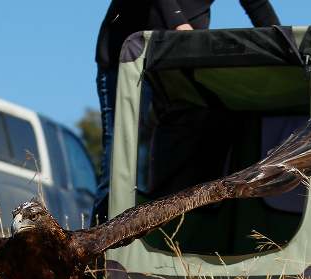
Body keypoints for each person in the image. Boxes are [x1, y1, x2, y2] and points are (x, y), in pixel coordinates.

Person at [91, 0, 281, 227]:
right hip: (130, 56)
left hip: (182, 58)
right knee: (120, 156)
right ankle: (96, 248)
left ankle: (173, 232)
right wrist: (179, 24)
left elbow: (258, 6)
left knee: (195, 146)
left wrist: (282, 45)